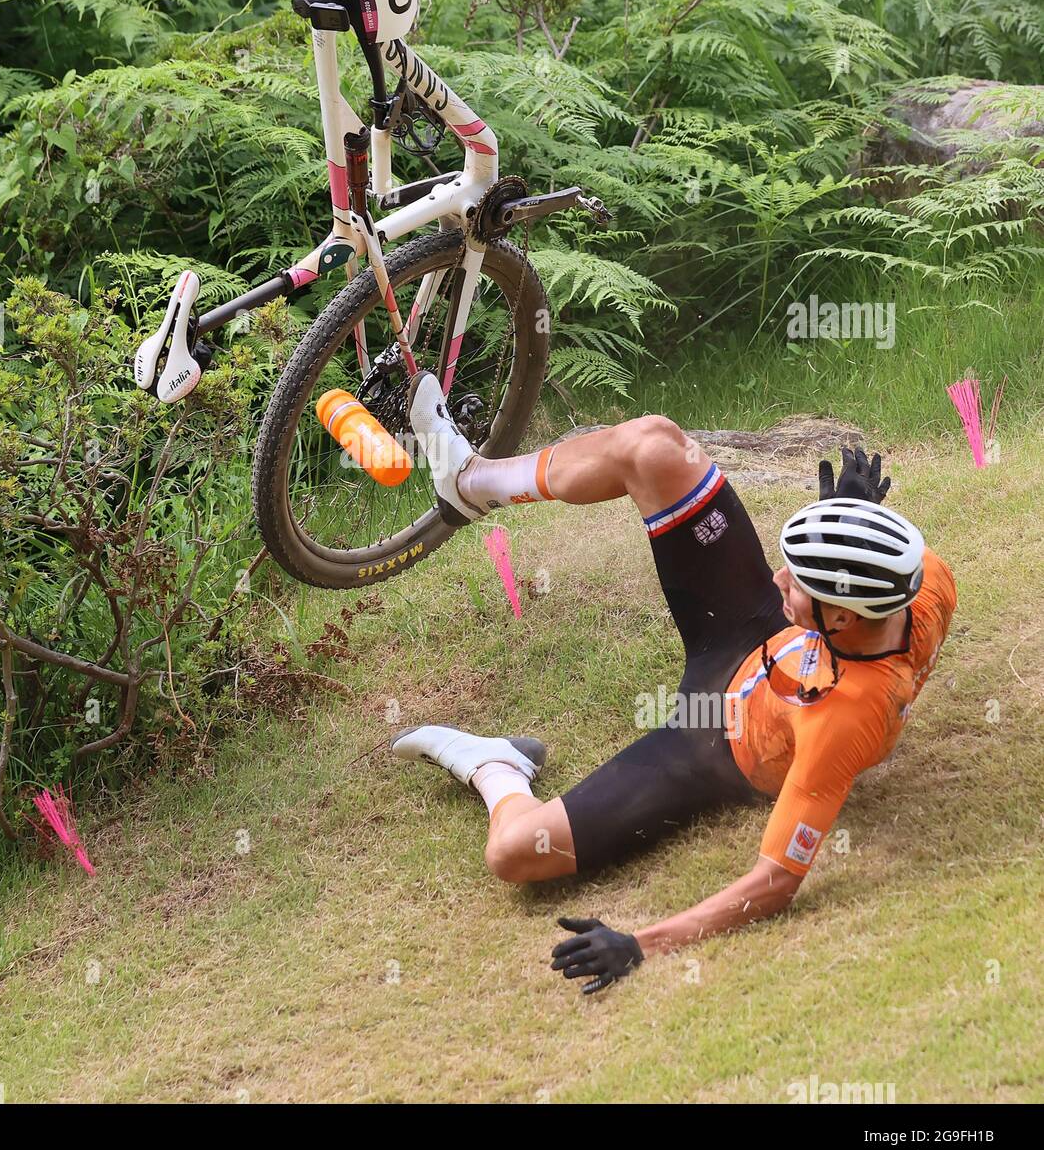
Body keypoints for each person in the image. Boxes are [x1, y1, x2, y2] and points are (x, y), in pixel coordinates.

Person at [393, 371, 957, 994]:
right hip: (755, 636)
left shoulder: (842, 719)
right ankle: (470, 482)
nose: (777, 580)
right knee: (655, 446)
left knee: (516, 852)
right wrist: (848, 525)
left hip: (712, 748)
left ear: (844, 617)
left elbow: (774, 883)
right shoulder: (924, 578)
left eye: (796, 584)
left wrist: (640, 944)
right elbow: (869, 584)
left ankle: (496, 766)